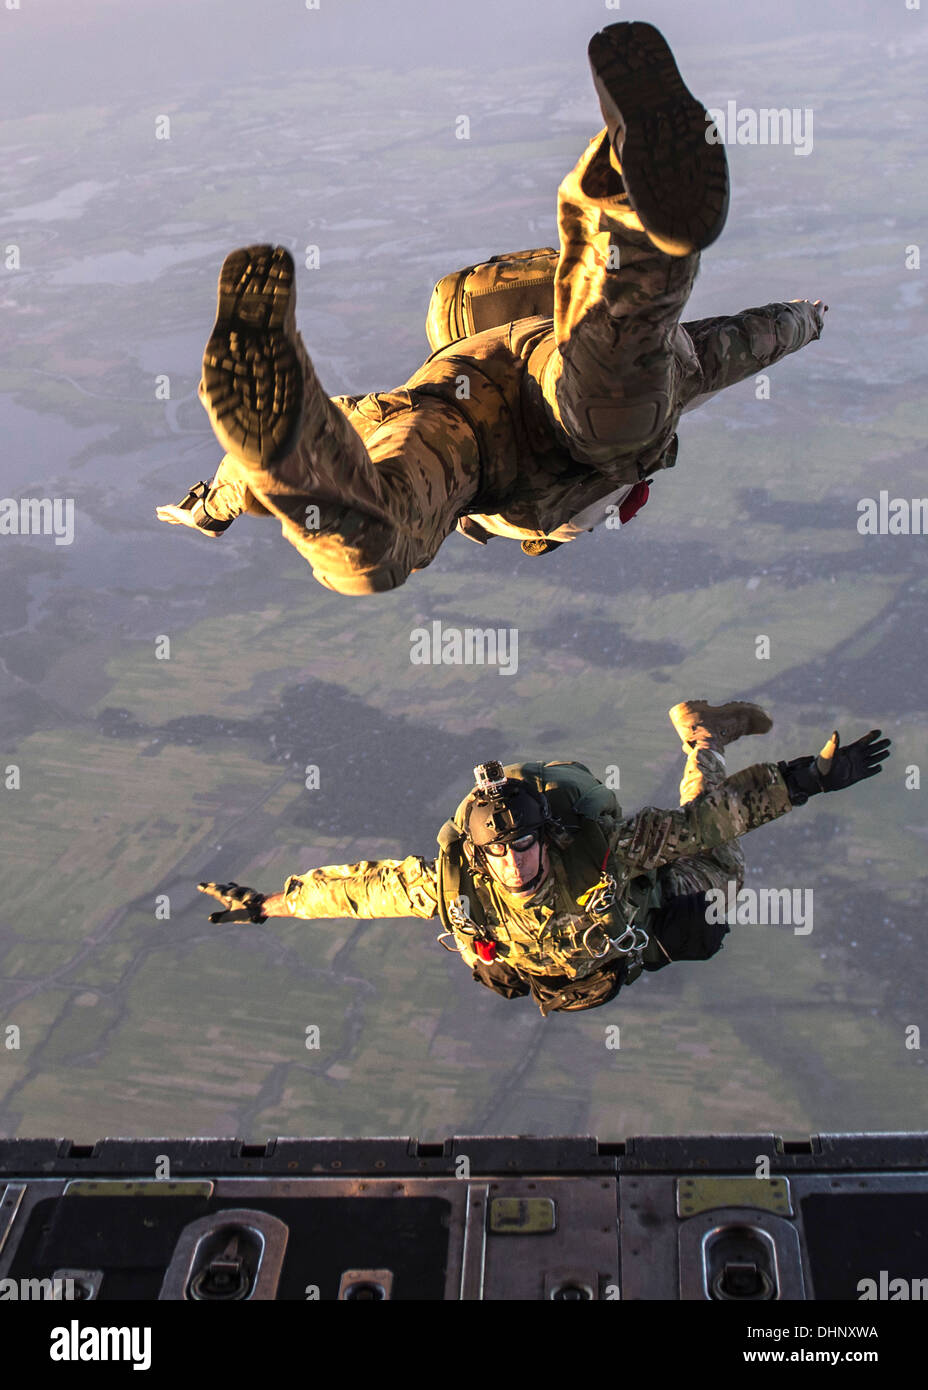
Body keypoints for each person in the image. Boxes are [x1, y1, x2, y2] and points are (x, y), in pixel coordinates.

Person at [157, 20, 827, 595]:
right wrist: (218, 499)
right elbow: (748, 341)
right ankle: (319, 498)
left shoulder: (523, 485)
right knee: (610, 388)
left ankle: (629, 203)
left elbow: (746, 341)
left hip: (475, 400)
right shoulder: (518, 490)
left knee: (622, 365)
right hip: (487, 392)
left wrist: (805, 319)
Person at [197, 701, 890, 1016]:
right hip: (564, 975)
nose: (513, 863)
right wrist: (271, 903)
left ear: (544, 839)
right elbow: (363, 890)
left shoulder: (602, 856)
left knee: (723, 871)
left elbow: (705, 825)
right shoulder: (457, 888)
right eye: (497, 852)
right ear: (478, 853)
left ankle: (702, 737)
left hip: (634, 923)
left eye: (523, 846)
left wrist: (808, 778)